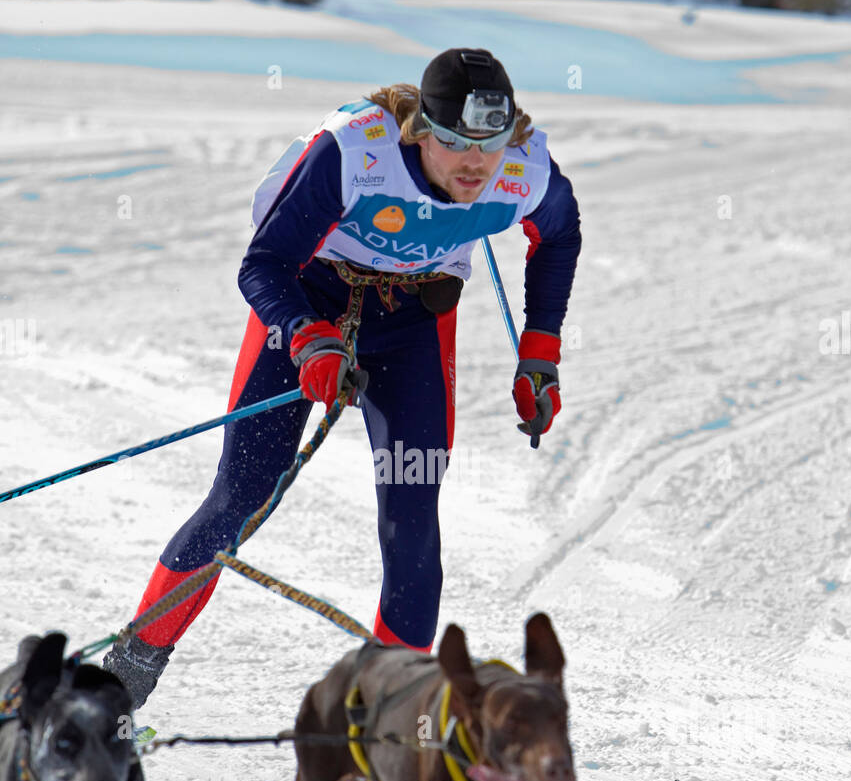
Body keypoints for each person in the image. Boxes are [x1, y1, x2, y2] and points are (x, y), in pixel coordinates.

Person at [104, 48, 581, 709]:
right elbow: (263, 264)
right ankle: (122, 680)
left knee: (413, 515)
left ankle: (390, 727)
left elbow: (559, 236)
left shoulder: (523, 168)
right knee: (240, 494)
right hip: (309, 301)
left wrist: (539, 353)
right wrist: (309, 340)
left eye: (491, 143)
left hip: (413, 324)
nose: (476, 163)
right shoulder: (357, 152)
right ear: (422, 132)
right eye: (455, 143)